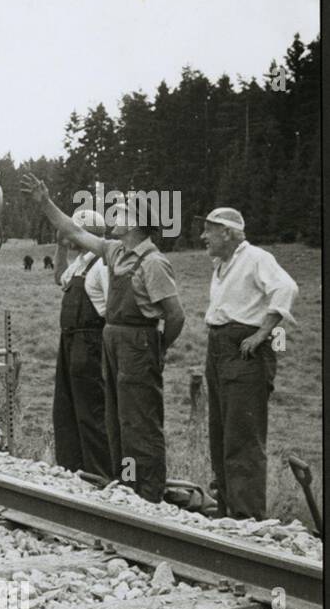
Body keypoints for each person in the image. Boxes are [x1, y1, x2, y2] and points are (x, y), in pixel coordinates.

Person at [22, 175, 184, 503]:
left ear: (137, 224)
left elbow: (176, 315)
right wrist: (46, 204)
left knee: (140, 424)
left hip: (138, 343)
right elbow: (76, 231)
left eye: (122, 213)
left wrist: (158, 349)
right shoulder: (115, 251)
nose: (115, 218)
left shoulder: (153, 262)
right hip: (114, 341)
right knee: (117, 421)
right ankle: (126, 487)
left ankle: (149, 495)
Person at [201, 207, 298, 519]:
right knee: (220, 430)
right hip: (219, 347)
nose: (203, 237)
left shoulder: (256, 257)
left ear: (227, 232)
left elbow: (286, 287)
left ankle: (247, 517)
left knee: (242, 434)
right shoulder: (223, 264)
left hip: (243, 351)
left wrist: (263, 333)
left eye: (209, 230)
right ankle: (227, 509)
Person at [51, 208, 111, 479]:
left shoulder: (100, 264)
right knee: (66, 408)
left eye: (72, 230)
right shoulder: (80, 262)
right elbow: (59, 278)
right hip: (71, 340)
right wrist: (60, 248)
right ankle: (72, 470)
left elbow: (111, 310)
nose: (67, 234)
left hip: (89, 341)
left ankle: (98, 472)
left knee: (91, 410)